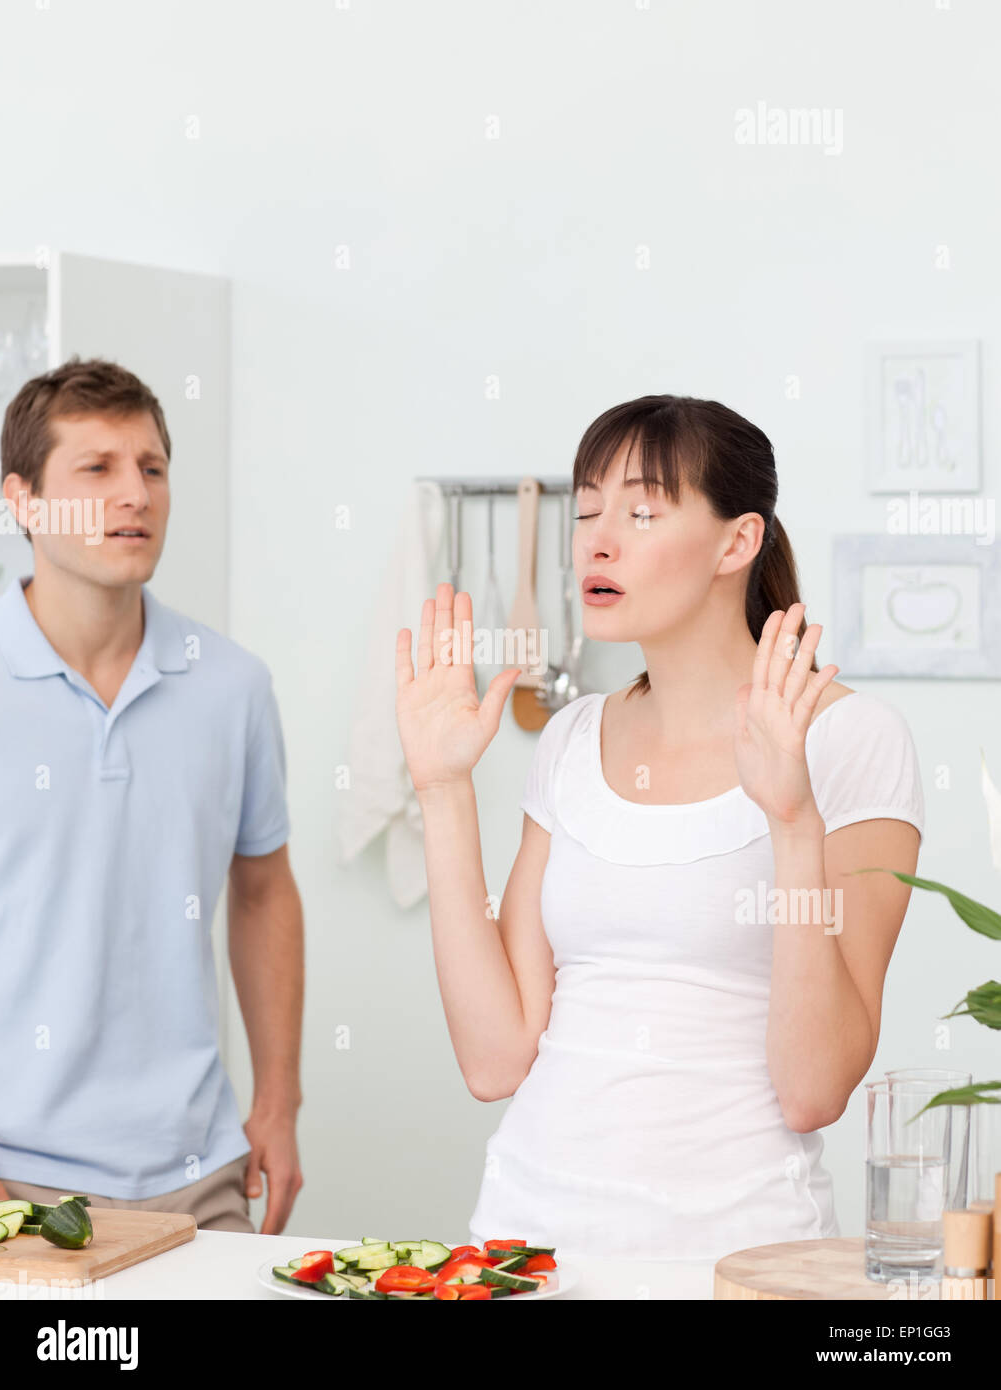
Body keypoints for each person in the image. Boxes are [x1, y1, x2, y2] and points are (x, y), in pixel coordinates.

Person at [395, 394, 923, 1260]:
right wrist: (443, 788)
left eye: (641, 513)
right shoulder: (571, 740)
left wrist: (792, 821)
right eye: (586, 513)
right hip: (526, 1249)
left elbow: (814, 1090)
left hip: (740, 1260)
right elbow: (494, 1062)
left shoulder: (850, 739)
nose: (597, 543)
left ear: (737, 542)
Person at [0, 357, 305, 1233]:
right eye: (97, 468)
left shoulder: (233, 685)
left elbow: (264, 890)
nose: (135, 493)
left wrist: (278, 1101)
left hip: (200, 1177)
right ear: (23, 501)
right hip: (10, 1178)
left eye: (152, 468)